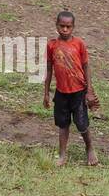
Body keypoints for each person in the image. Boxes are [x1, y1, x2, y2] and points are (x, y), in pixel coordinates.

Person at [42, 10, 97, 167]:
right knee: (62, 124)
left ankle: (89, 148)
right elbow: (49, 69)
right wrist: (46, 93)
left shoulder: (79, 44)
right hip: (61, 92)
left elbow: (86, 67)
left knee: (82, 123)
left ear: (73, 27)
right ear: (56, 25)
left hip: (78, 92)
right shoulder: (52, 45)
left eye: (68, 26)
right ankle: (62, 154)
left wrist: (89, 90)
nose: (65, 30)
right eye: (62, 26)